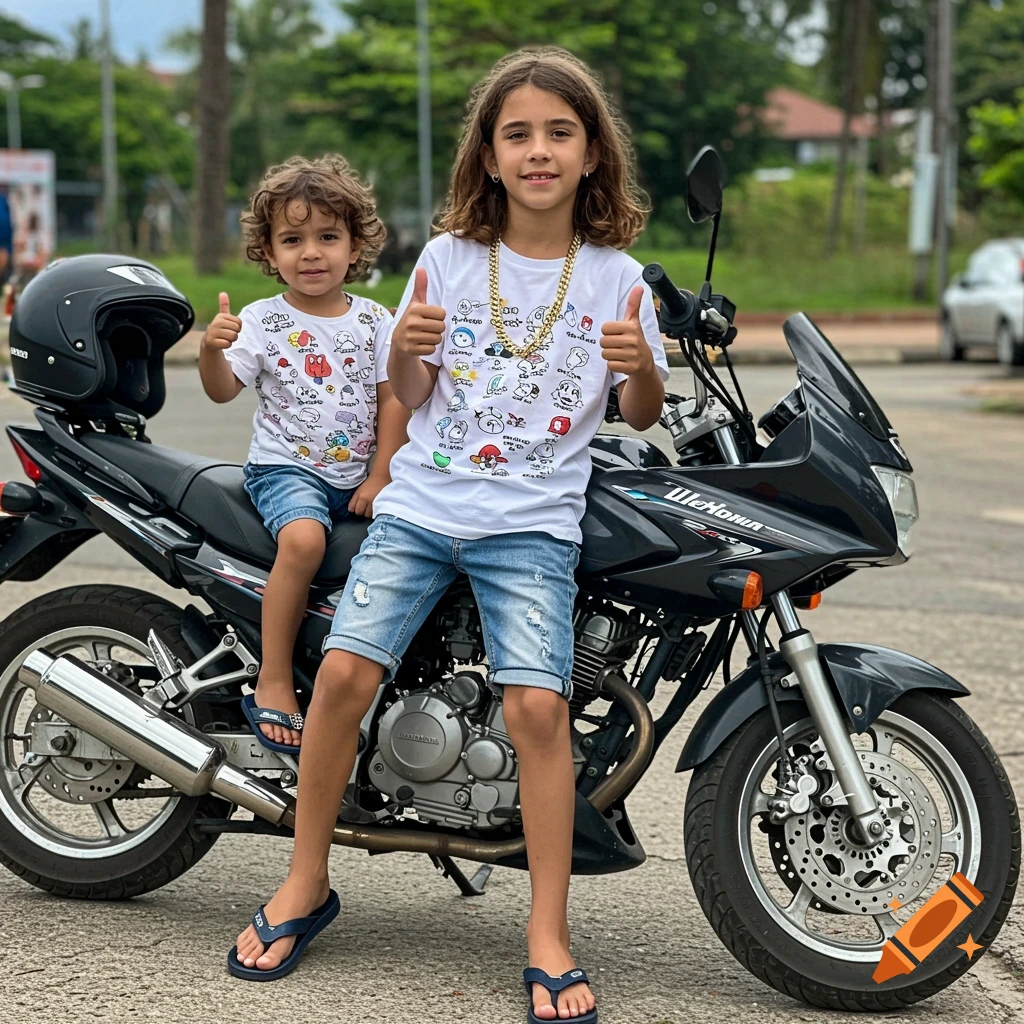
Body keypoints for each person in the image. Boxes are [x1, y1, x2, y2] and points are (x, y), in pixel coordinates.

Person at [229, 48, 669, 1023]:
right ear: (490, 152)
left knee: (538, 714)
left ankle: (546, 930)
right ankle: (306, 880)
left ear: (592, 152)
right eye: (517, 133)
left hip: (531, 525)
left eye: (559, 132)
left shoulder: (616, 277)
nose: (538, 150)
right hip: (423, 507)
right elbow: (412, 391)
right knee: (341, 677)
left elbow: (637, 412)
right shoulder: (450, 258)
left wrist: (641, 367)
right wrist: (402, 350)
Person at [199, 154, 408, 752]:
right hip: (285, 469)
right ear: (268, 252)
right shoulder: (262, 320)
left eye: (327, 237)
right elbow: (220, 391)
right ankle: (272, 675)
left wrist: (381, 474)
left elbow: (393, 397)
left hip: (361, 470)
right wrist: (214, 350)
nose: (311, 253)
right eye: (292, 239)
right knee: (305, 542)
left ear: (355, 245)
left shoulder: (374, 320)